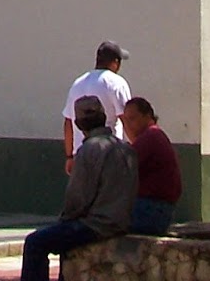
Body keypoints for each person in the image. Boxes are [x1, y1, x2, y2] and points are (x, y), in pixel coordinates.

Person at [22, 95, 137, 281]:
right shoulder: (125, 148)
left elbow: (77, 199)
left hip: (98, 225)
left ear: (79, 124)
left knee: (35, 243)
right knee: (63, 239)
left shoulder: (90, 150)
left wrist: (64, 220)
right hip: (122, 221)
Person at [62, 41, 131, 174]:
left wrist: (69, 156)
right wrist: (137, 150)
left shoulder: (78, 83)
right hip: (109, 154)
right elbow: (127, 119)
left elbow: (68, 122)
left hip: (81, 155)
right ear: (115, 62)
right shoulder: (116, 83)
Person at [121, 96, 181, 235]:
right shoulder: (155, 135)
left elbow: (122, 170)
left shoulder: (150, 137)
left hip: (151, 210)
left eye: (132, 119)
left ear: (147, 116)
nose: (128, 125)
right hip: (157, 209)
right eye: (126, 120)